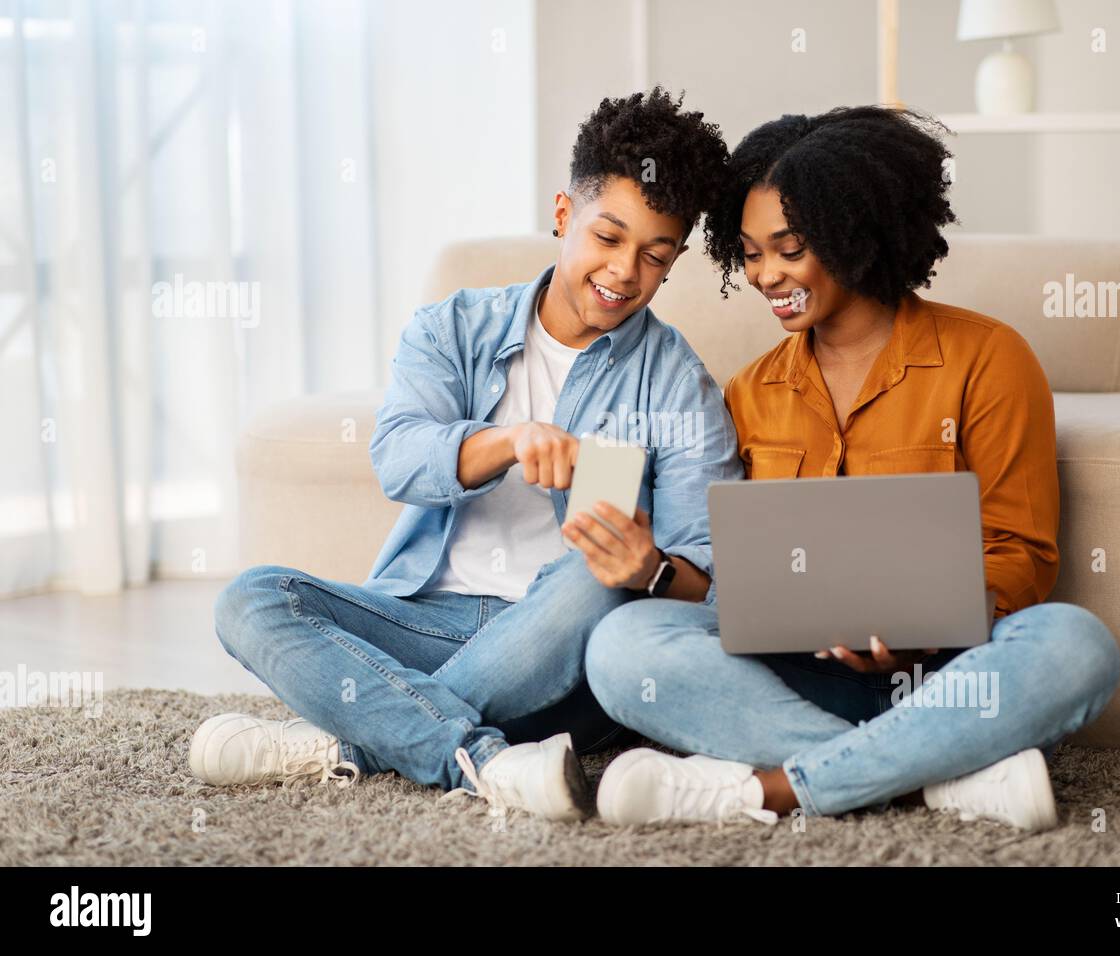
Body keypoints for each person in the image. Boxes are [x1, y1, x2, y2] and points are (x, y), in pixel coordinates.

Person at [189, 88, 741, 822]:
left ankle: (350, 741)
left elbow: (712, 582)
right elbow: (398, 459)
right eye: (607, 238)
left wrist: (647, 567)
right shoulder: (455, 327)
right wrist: (508, 441)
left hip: (561, 647)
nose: (623, 273)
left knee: (592, 579)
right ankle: (480, 756)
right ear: (562, 215)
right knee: (250, 599)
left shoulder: (678, 384)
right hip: (424, 619)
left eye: (654, 255)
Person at [584, 106, 1120, 831]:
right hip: (798, 682)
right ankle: (935, 779)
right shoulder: (748, 393)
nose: (766, 275)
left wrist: (924, 625)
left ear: (853, 233)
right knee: (622, 646)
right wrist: (655, 567)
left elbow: (1021, 558)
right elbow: (733, 580)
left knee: (1077, 647)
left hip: (950, 677)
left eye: (790, 248)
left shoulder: (989, 360)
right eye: (748, 253)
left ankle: (769, 791)